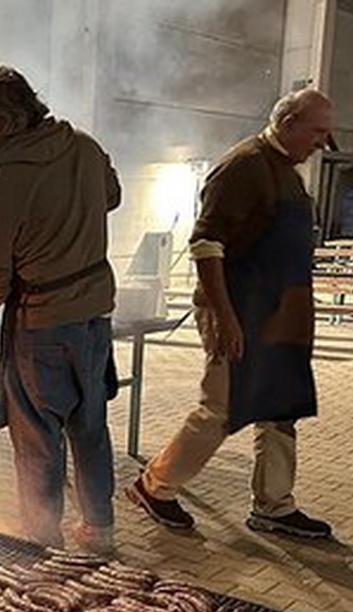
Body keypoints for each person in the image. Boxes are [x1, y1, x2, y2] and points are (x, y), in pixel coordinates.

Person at [127, 89, 335, 539]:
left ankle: (274, 506)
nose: (323, 142)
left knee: (281, 407)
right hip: (239, 311)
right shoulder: (244, 165)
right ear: (289, 121)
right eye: (317, 131)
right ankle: (154, 486)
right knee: (221, 407)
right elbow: (206, 244)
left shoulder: (288, 171)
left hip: (280, 314)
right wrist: (224, 315)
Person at [0, 65, 122, 552]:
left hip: (43, 324)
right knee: (89, 425)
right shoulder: (85, 147)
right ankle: (100, 528)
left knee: (37, 436)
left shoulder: (3, 188)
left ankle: (42, 541)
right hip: (93, 319)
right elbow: (112, 196)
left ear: (3, 121)